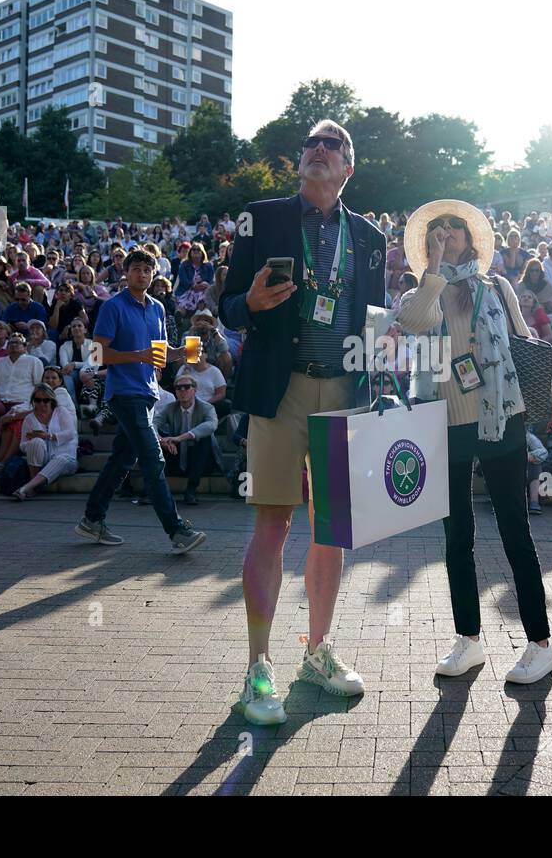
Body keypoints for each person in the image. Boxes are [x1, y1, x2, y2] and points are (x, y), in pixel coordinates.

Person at [218, 120, 387, 723]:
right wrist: (251, 305)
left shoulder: (368, 235)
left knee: (332, 527)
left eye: (333, 144)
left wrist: (386, 348)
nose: (320, 150)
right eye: (311, 144)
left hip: (344, 387)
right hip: (280, 385)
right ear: (299, 163)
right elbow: (227, 304)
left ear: (349, 166)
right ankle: (258, 667)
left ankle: (317, 650)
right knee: (272, 523)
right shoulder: (260, 217)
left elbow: (375, 320)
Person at [397, 199, 552, 686]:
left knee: (515, 529)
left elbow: (523, 342)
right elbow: (412, 323)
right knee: (457, 538)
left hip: (501, 416)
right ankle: (467, 640)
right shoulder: (422, 293)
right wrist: (432, 270)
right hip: (446, 421)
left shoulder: (497, 287)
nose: (447, 232)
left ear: (472, 238)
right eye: (438, 228)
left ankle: (539, 645)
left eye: (455, 227)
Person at [75, 248, 206, 552]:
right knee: (152, 458)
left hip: (148, 392)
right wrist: (138, 356)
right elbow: (96, 354)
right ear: (127, 272)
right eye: (137, 269)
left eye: (148, 270)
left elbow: (159, 355)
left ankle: (91, 519)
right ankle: (176, 530)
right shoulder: (112, 307)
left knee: (122, 458)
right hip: (124, 393)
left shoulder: (158, 308)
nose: (142, 274)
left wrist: (183, 354)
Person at [155, 371, 218, 507]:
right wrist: (162, 440)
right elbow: (153, 423)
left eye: (187, 387)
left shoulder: (207, 408)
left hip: (200, 461)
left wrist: (180, 438)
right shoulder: (170, 408)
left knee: (203, 440)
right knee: (155, 438)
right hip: (175, 455)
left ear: (194, 390)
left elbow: (211, 425)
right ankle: (154, 490)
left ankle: (191, 490)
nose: (182, 390)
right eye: (179, 388)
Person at [10, 384, 79, 501]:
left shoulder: (61, 412)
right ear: (33, 401)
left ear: (51, 400)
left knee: (61, 459)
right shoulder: (29, 418)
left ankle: (27, 487)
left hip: (67, 459)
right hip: (42, 459)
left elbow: (71, 433)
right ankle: (33, 482)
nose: (42, 403)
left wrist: (48, 436)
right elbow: (22, 445)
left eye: (45, 400)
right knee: (36, 442)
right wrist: (35, 440)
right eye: (38, 400)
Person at [0, 332, 43, 457]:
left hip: (23, 401)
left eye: (17, 343)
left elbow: (38, 385)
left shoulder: (34, 361)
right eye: (11, 343)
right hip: (3, 401)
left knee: (14, 411)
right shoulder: (0, 362)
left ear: (25, 347)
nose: (14, 345)